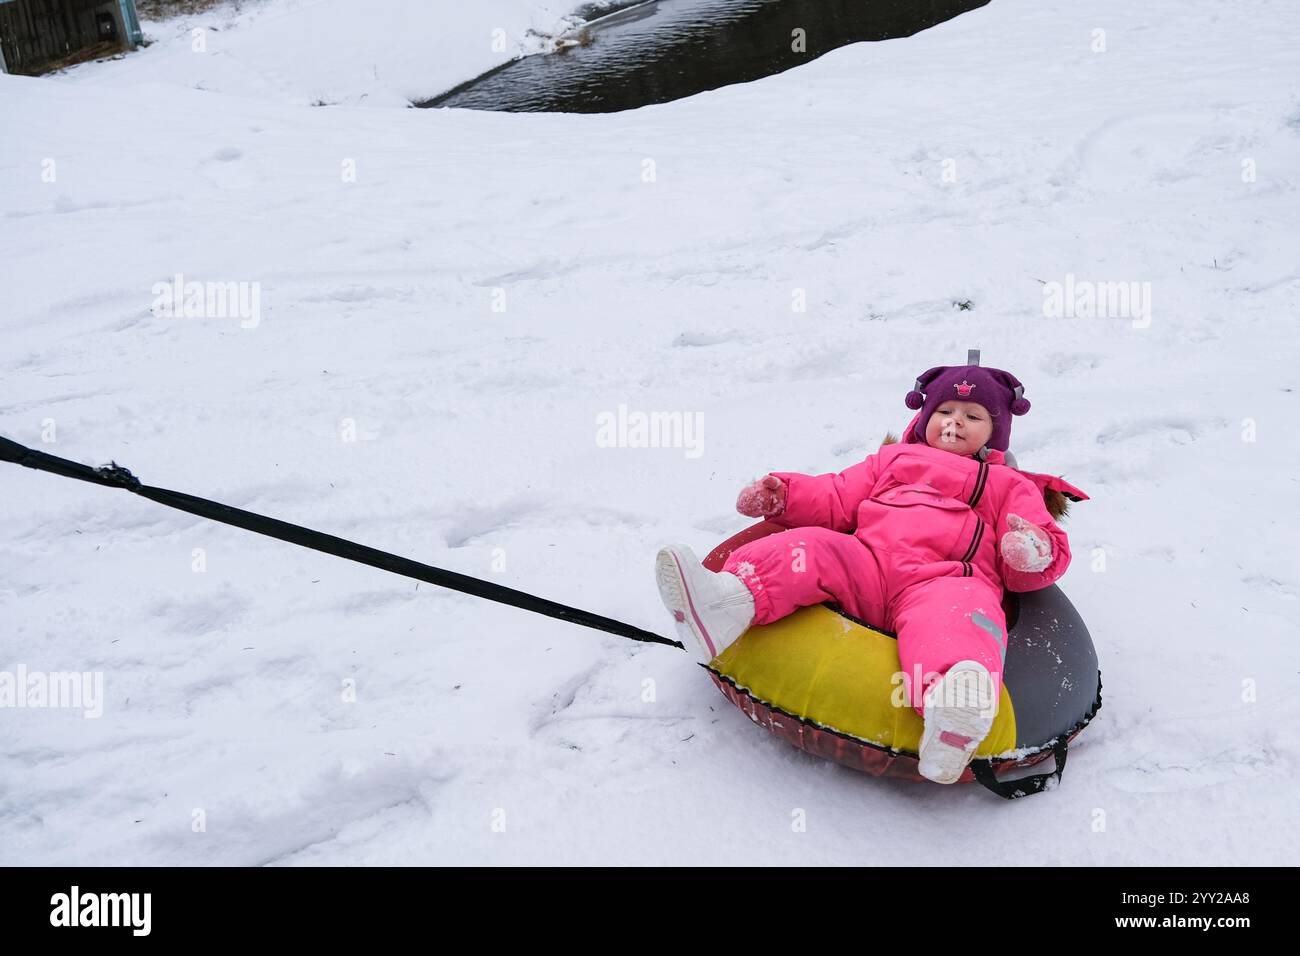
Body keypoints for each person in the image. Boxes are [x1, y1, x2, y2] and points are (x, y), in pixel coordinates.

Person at [655, 359, 1075, 784]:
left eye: (973, 416)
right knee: (812, 547)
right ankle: (725, 603)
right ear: (924, 418)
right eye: (945, 412)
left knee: (960, 614)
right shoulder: (892, 461)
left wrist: (1031, 550)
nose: (954, 423)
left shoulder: (1008, 485)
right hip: (866, 563)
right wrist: (784, 497)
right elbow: (835, 497)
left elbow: (1037, 545)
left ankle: (953, 711)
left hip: (943, 580)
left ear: (995, 433)